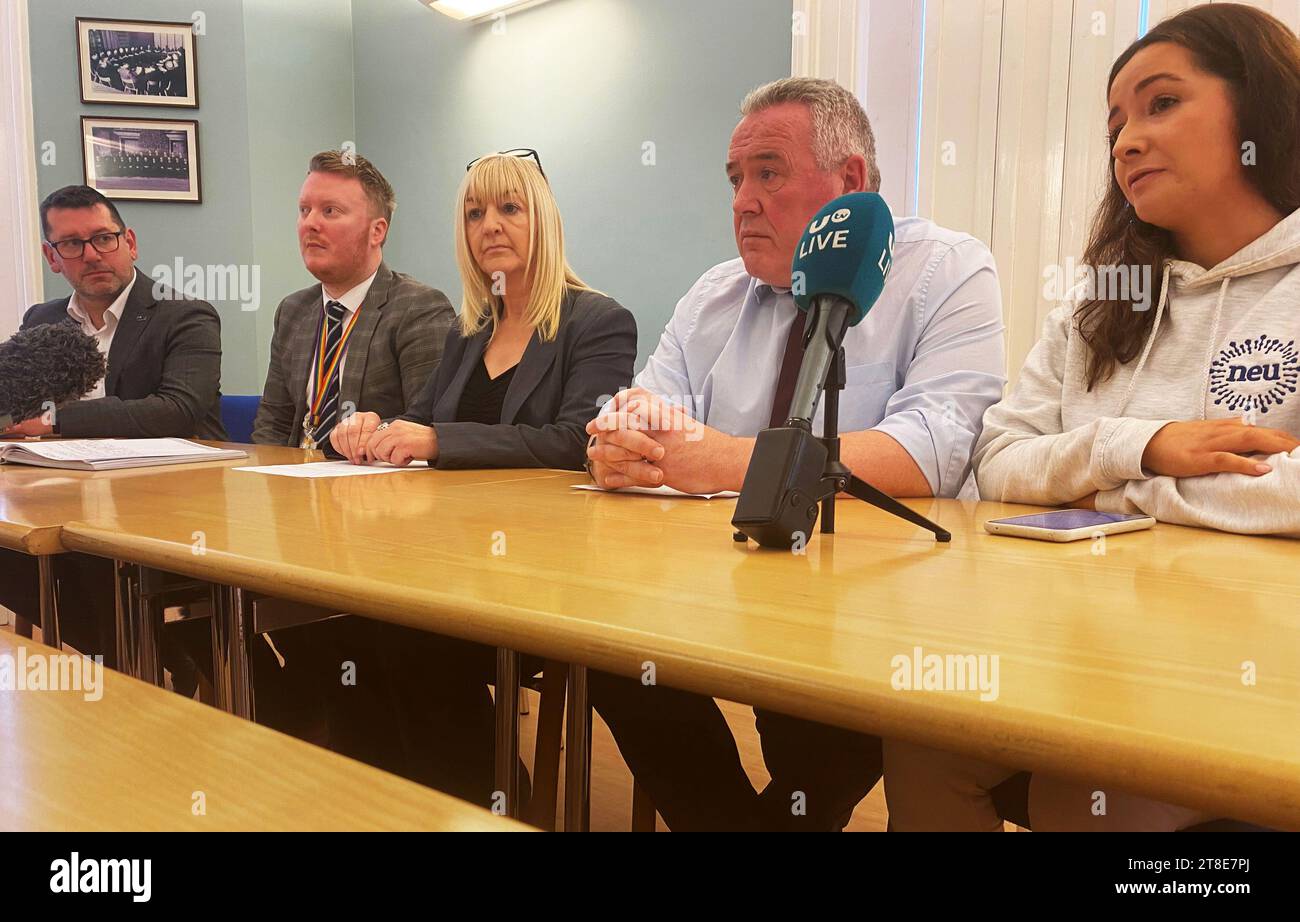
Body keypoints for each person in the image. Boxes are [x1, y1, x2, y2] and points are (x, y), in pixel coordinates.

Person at [884, 2, 1300, 831]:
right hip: (1081, 645)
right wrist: (1145, 447)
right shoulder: (1104, 303)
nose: (1126, 141)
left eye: (1162, 103)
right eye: (1115, 124)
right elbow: (997, 462)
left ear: (1260, 106)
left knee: (1095, 788)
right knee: (923, 729)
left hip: (1250, 669)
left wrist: (1104, 487)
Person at [584, 77, 1007, 830]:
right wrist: (612, 449)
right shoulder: (713, 294)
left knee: (824, 734)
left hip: (870, 603)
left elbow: (938, 446)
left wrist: (715, 460)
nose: (743, 201)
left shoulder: (945, 270)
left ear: (848, 183)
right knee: (612, 658)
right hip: (716, 580)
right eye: (735, 179)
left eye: (768, 173)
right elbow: (637, 411)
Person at [313, 150, 637, 807]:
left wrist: (435, 440)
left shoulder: (597, 321)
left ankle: (486, 804)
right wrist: (369, 430)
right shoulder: (470, 334)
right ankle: (394, 807)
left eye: (509, 209)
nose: (490, 225)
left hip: (550, 567)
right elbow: (421, 422)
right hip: (452, 556)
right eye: (474, 213)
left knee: (405, 640)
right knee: (347, 627)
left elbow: (578, 441)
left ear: (542, 219)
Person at [0, 184, 226, 664]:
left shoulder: (184, 314)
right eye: (72, 244)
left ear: (131, 242)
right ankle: (134, 662)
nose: (92, 254)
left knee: (100, 571)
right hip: (63, 500)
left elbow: (177, 409)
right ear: (51, 256)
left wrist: (54, 421)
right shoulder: (42, 320)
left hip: (172, 505)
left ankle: (145, 667)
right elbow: (16, 405)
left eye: (104, 238)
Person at [252, 150, 456, 453]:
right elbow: (273, 425)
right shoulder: (292, 311)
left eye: (330, 211)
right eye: (304, 210)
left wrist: (371, 433)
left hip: (375, 491)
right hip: (293, 487)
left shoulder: (419, 308)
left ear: (377, 231)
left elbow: (429, 428)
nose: (310, 224)